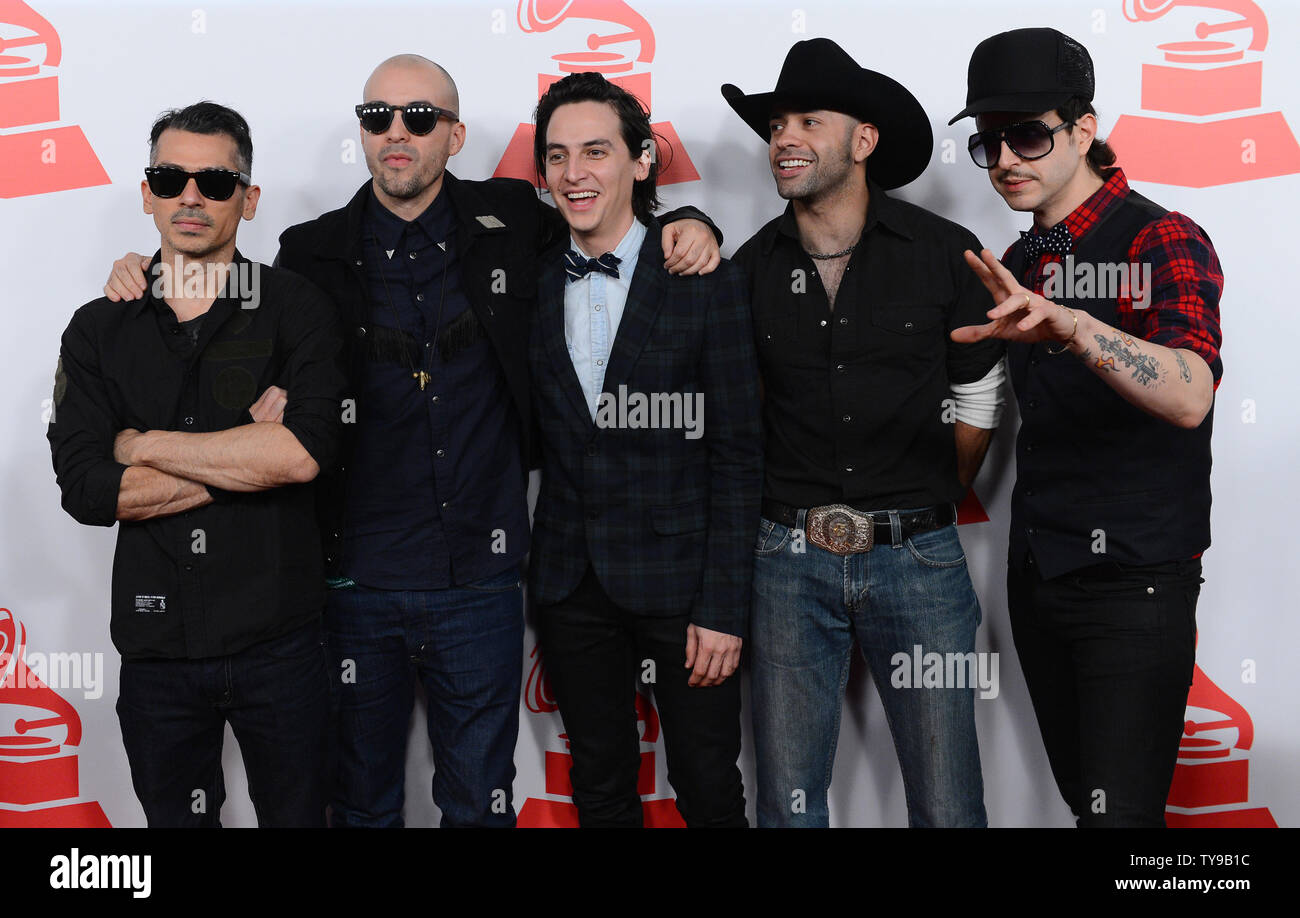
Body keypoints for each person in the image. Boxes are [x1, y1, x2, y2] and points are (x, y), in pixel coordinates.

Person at [102, 54, 720, 828]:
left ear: (455, 135)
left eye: (419, 118)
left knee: (480, 803)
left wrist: (692, 224)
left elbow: (611, 227)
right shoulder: (310, 252)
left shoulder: (514, 219)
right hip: (352, 581)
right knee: (361, 803)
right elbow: (213, 289)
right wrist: (147, 270)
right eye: (378, 117)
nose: (397, 133)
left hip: (483, 580)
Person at [721, 38, 1006, 827]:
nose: (784, 138)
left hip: (921, 559)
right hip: (785, 561)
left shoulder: (944, 253)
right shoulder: (746, 268)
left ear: (864, 140)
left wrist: (934, 494)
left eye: (809, 120)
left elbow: (979, 389)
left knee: (949, 804)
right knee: (787, 804)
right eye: (776, 123)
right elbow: (736, 422)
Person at [948, 27, 1223, 827]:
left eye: (1027, 134)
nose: (1005, 158)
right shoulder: (1021, 259)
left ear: (1083, 129)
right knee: (1088, 806)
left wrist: (1072, 327)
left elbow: (1190, 394)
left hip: (1134, 584)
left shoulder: (1158, 235)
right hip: (1039, 577)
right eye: (988, 141)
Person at [47, 101, 345, 827]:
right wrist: (243, 451)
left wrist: (137, 444)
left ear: (249, 198)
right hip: (156, 654)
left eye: (215, 181)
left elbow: (302, 455)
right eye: (170, 177)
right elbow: (87, 489)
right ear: (146, 192)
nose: (190, 196)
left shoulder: (297, 306)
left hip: (282, 642)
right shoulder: (96, 327)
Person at [527, 71, 762, 828]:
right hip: (570, 582)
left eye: (596, 151)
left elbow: (737, 450)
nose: (574, 173)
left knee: (708, 786)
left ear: (640, 161)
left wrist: (724, 608)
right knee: (598, 786)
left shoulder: (701, 277)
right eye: (557, 156)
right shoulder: (524, 280)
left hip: (685, 587)